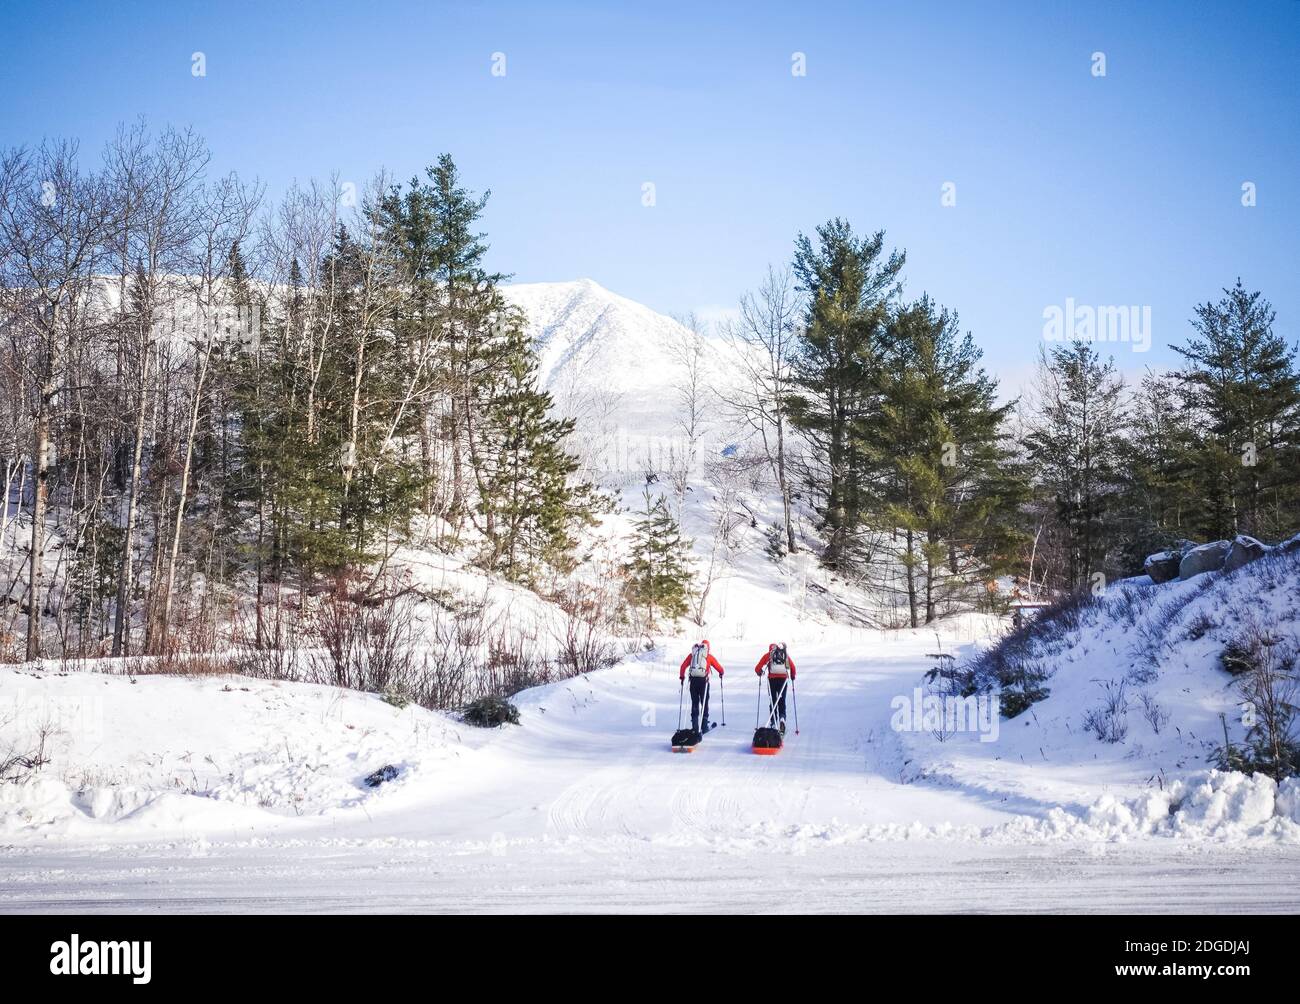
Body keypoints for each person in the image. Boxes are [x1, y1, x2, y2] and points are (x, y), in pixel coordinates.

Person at [679, 639, 725, 733]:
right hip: (704, 682)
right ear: (708, 647)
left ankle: (695, 726)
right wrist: (721, 673)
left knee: (694, 702)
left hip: (693, 681)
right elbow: (719, 668)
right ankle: (704, 726)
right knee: (704, 702)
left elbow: (683, 666)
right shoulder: (708, 656)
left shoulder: (693, 655)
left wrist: (682, 676)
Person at [754, 642, 796, 734]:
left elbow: (757, 668)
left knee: (773, 701)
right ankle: (782, 719)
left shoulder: (769, 655)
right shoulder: (784, 655)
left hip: (772, 680)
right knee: (782, 700)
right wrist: (793, 676)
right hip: (783, 680)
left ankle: (773, 723)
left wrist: (759, 672)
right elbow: (792, 667)